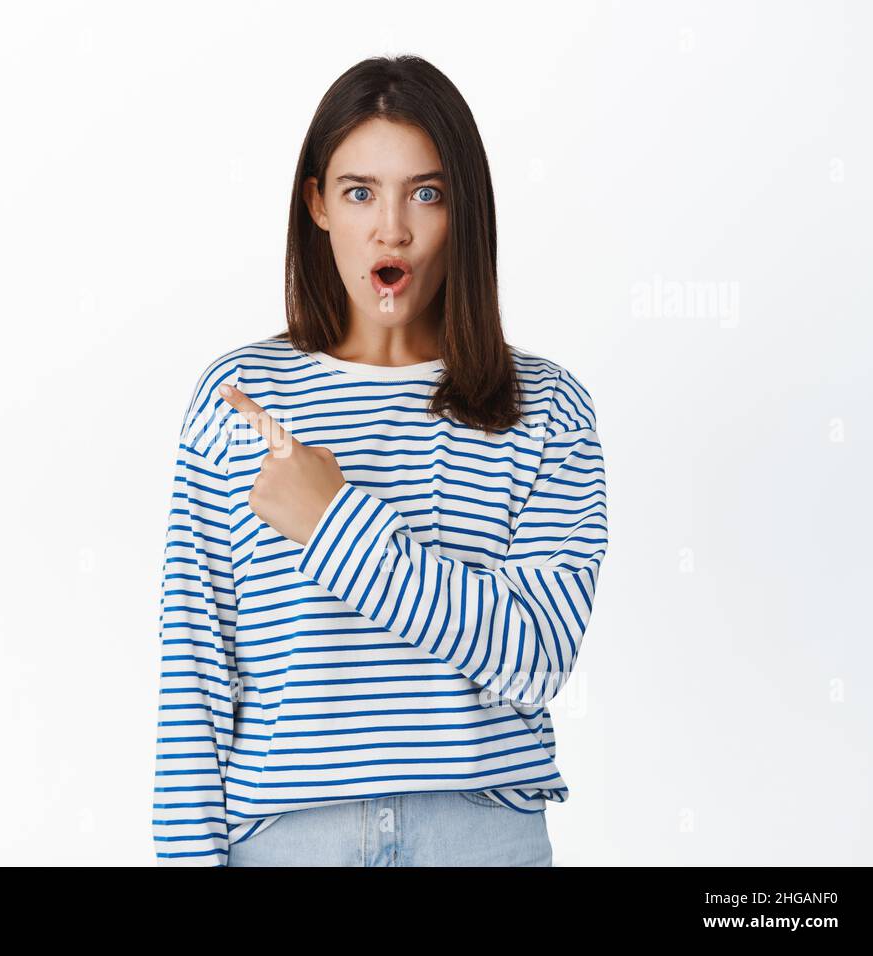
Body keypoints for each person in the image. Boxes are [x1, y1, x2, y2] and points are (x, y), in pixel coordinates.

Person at [152, 54, 607, 866]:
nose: (391, 228)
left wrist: (334, 526)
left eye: (425, 193)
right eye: (360, 191)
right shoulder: (239, 398)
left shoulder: (547, 407)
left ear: (462, 210)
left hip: (480, 835)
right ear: (318, 204)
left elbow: (535, 659)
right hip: (291, 840)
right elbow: (194, 677)